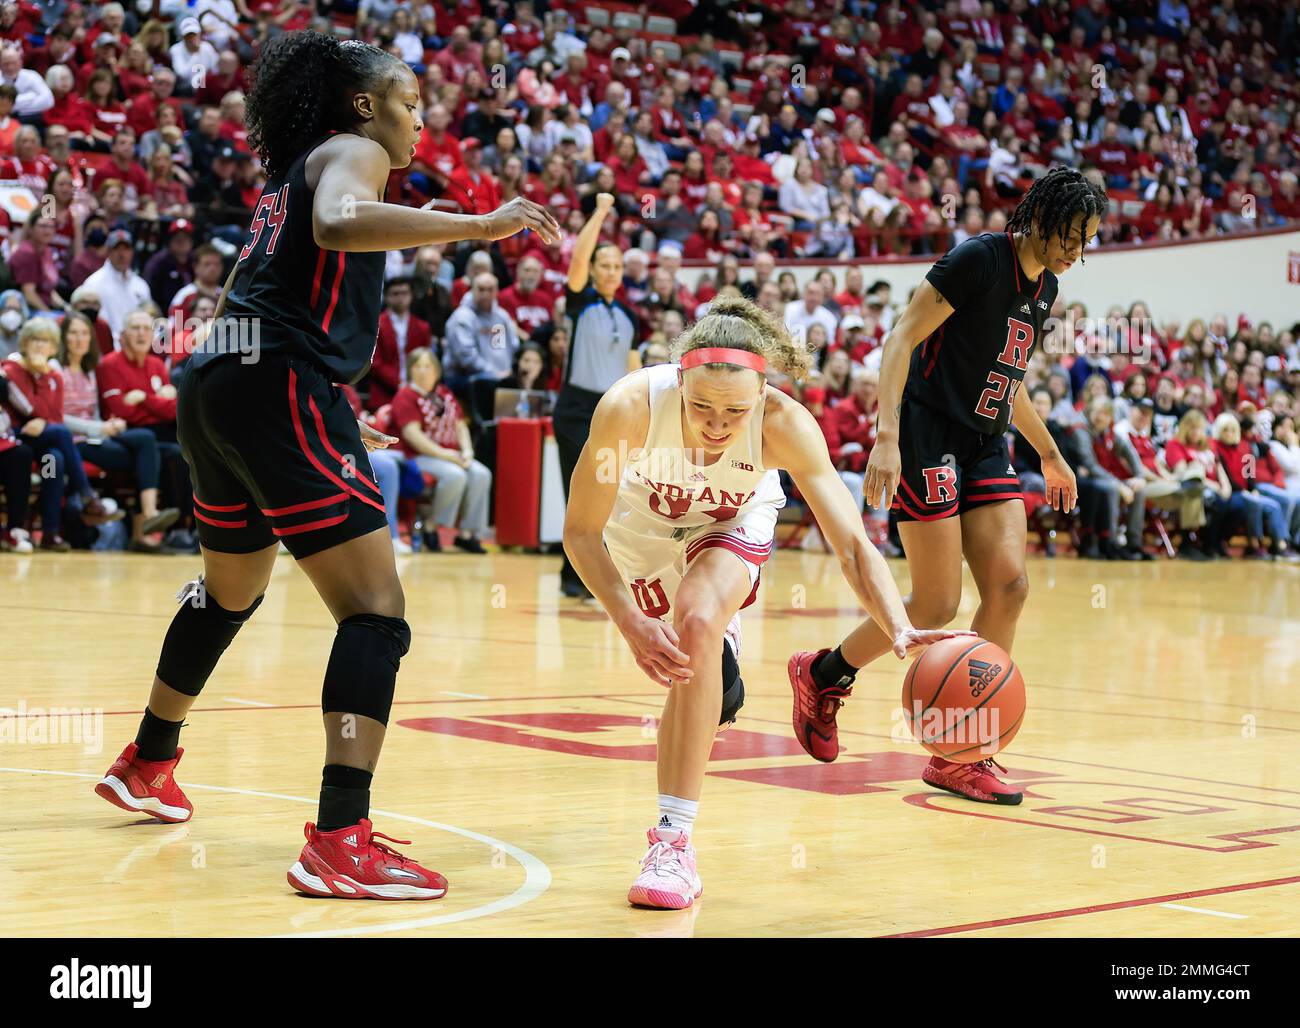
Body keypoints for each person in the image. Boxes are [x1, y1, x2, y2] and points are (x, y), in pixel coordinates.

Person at [93, 31, 560, 902]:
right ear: (364, 106)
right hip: (272, 383)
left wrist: (322, 404)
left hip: (219, 379)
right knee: (376, 613)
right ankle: (340, 838)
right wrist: (474, 226)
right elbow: (339, 225)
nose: (420, 121)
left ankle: (147, 762)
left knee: (228, 592)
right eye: (410, 102)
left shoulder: (291, 172)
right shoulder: (353, 153)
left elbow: (250, 303)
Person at [563, 296, 961, 910]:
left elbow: (852, 544)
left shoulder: (784, 424)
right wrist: (629, 620)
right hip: (639, 535)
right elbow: (580, 534)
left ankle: (672, 844)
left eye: (734, 411)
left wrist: (898, 625)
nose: (718, 424)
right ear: (678, 380)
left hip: (729, 521)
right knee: (710, 688)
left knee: (694, 626)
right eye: (701, 407)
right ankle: (720, 678)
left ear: (764, 392)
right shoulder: (629, 408)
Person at [788, 167, 1107, 803]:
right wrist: (886, 435)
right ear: (1041, 220)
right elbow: (900, 336)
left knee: (1010, 585)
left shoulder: (1043, 288)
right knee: (935, 605)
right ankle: (824, 674)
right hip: (927, 430)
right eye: (1071, 237)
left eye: (1087, 241)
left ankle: (963, 750)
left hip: (986, 440)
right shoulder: (980, 260)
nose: (1077, 253)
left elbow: (1005, 381)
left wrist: (1051, 453)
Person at [554, 192, 641, 599]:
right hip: (575, 410)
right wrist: (601, 210)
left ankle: (597, 576)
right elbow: (575, 261)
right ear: (592, 270)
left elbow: (635, 371)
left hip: (612, 414)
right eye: (604, 265)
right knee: (581, 492)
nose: (611, 271)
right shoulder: (579, 301)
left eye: (617, 266)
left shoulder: (630, 316)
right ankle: (573, 578)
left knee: (609, 493)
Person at [391, 348, 492, 555]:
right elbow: (413, 436)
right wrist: (446, 455)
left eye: (427, 366)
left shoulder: (444, 393)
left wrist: (467, 452)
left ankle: (466, 534)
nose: (422, 371)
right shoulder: (405, 395)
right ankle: (431, 525)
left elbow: (460, 425)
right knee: (455, 475)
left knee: (482, 474)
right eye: (417, 366)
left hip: (451, 454)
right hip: (417, 456)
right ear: (410, 370)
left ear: (436, 371)